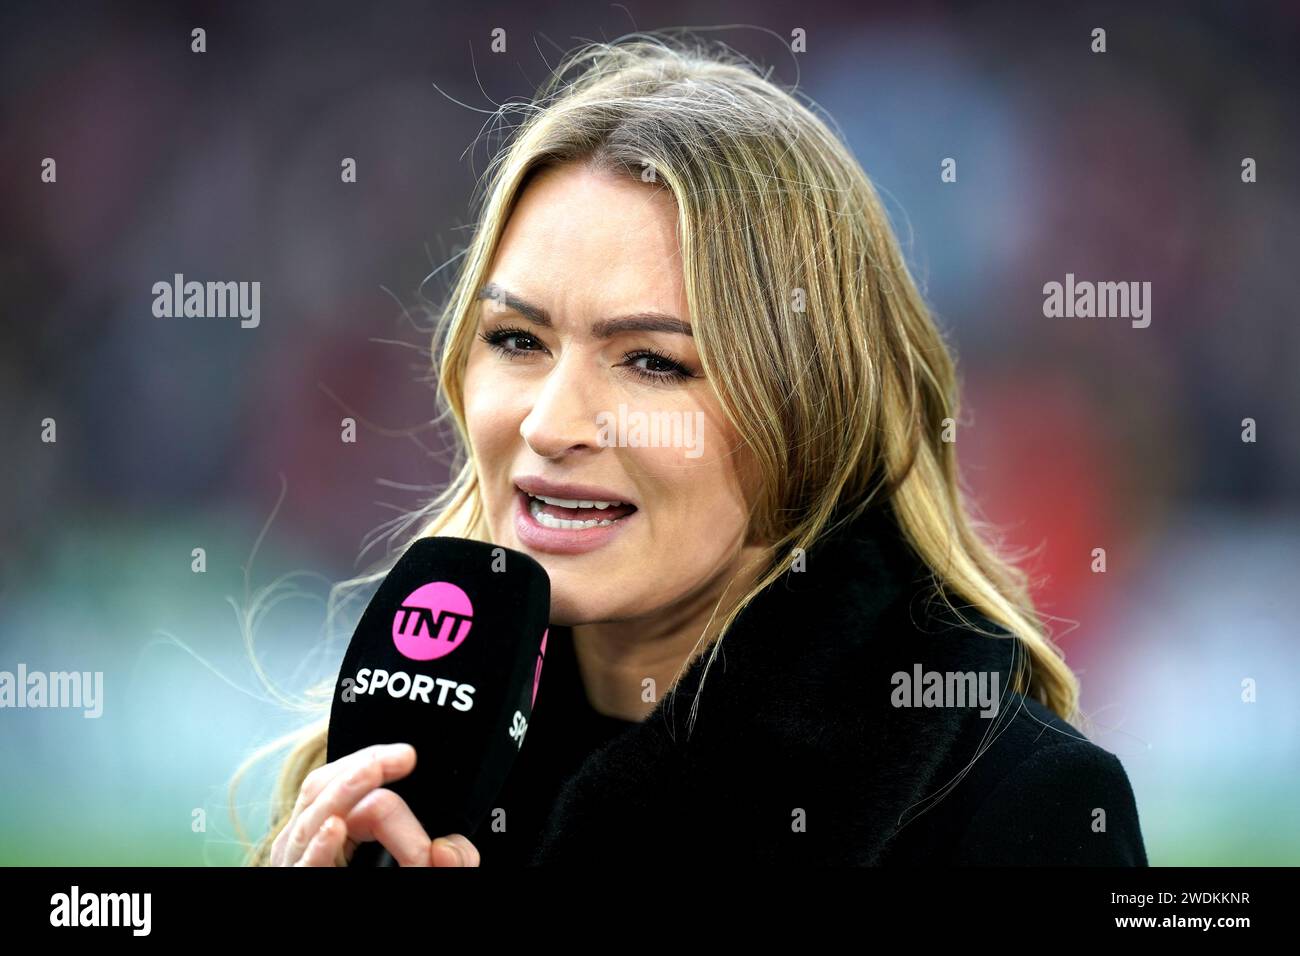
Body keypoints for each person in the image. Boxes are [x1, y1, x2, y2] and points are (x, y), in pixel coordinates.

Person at [233, 32, 1147, 866]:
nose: (549, 424)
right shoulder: (393, 779)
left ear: (812, 406)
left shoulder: (1024, 808)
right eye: (517, 340)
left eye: (652, 362)